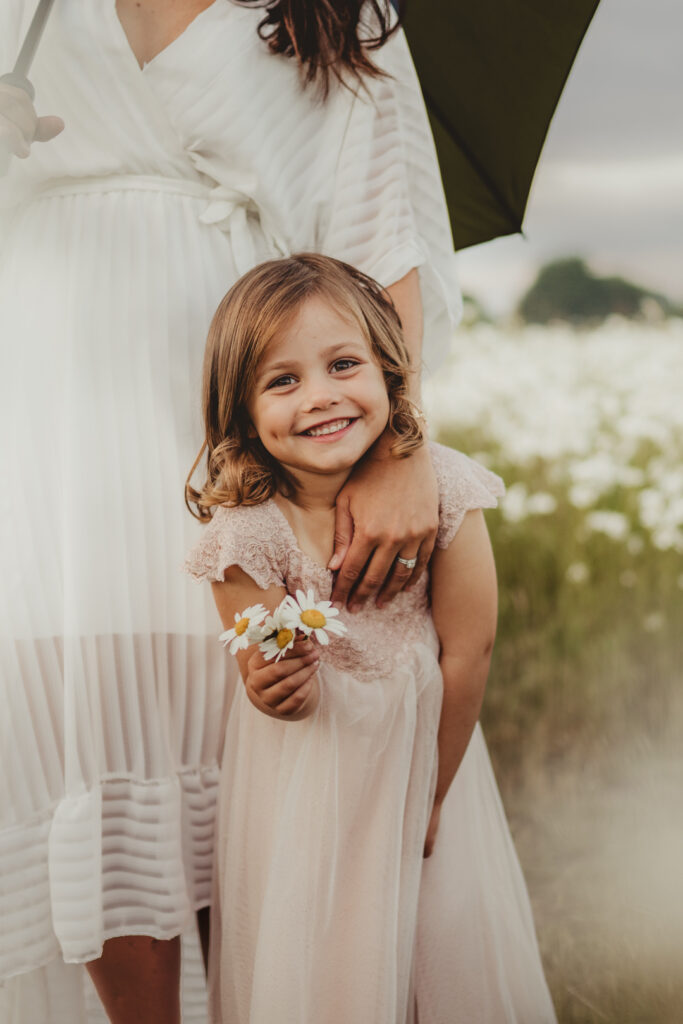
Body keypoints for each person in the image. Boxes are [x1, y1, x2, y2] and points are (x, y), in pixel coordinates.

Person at [0, 2, 460, 1020]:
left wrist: (398, 442)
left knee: (262, 724)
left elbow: (380, 225)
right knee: (80, 724)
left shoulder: (326, 9)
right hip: (38, 407)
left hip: (249, 398)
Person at [184, 253, 557, 1023]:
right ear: (240, 412)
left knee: (440, 943)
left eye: (343, 364)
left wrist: (432, 795)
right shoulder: (245, 534)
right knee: (322, 962)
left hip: (429, 762)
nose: (320, 396)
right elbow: (261, 671)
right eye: (281, 381)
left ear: (390, 372)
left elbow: (468, 650)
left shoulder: (446, 490)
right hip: (307, 788)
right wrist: (273, 689)